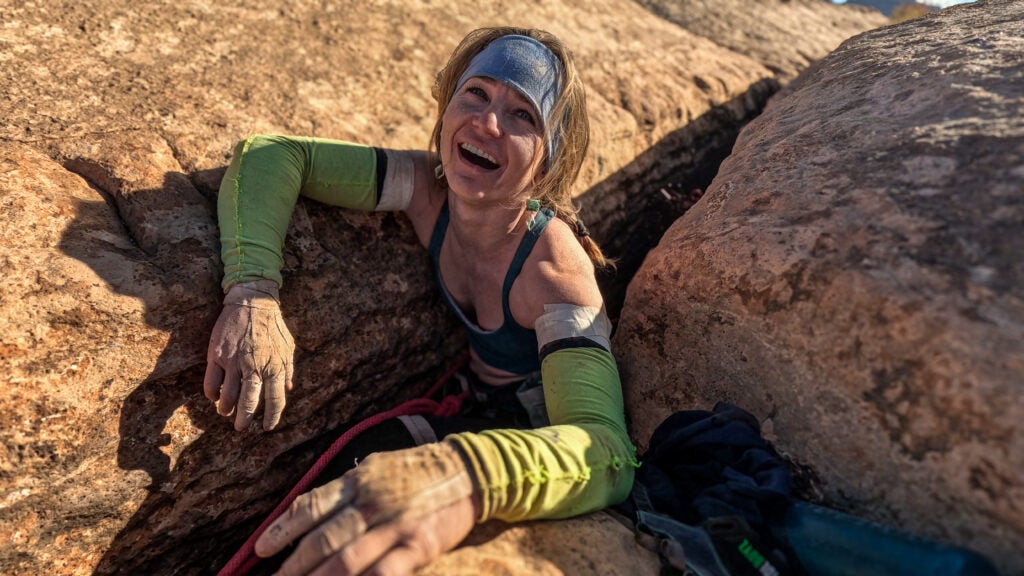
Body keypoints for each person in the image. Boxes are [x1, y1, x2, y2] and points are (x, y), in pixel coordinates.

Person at [203, 27, 637, 576]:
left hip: (531, 441)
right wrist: (252, 293)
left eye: (523, 115)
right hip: (472, 403)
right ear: (446, 108)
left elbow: (607, 451)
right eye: (475, 93)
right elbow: (273, 155)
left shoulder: (553, 272)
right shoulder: (427, 187)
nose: (486, 123)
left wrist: (463, 476)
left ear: (548, 163)